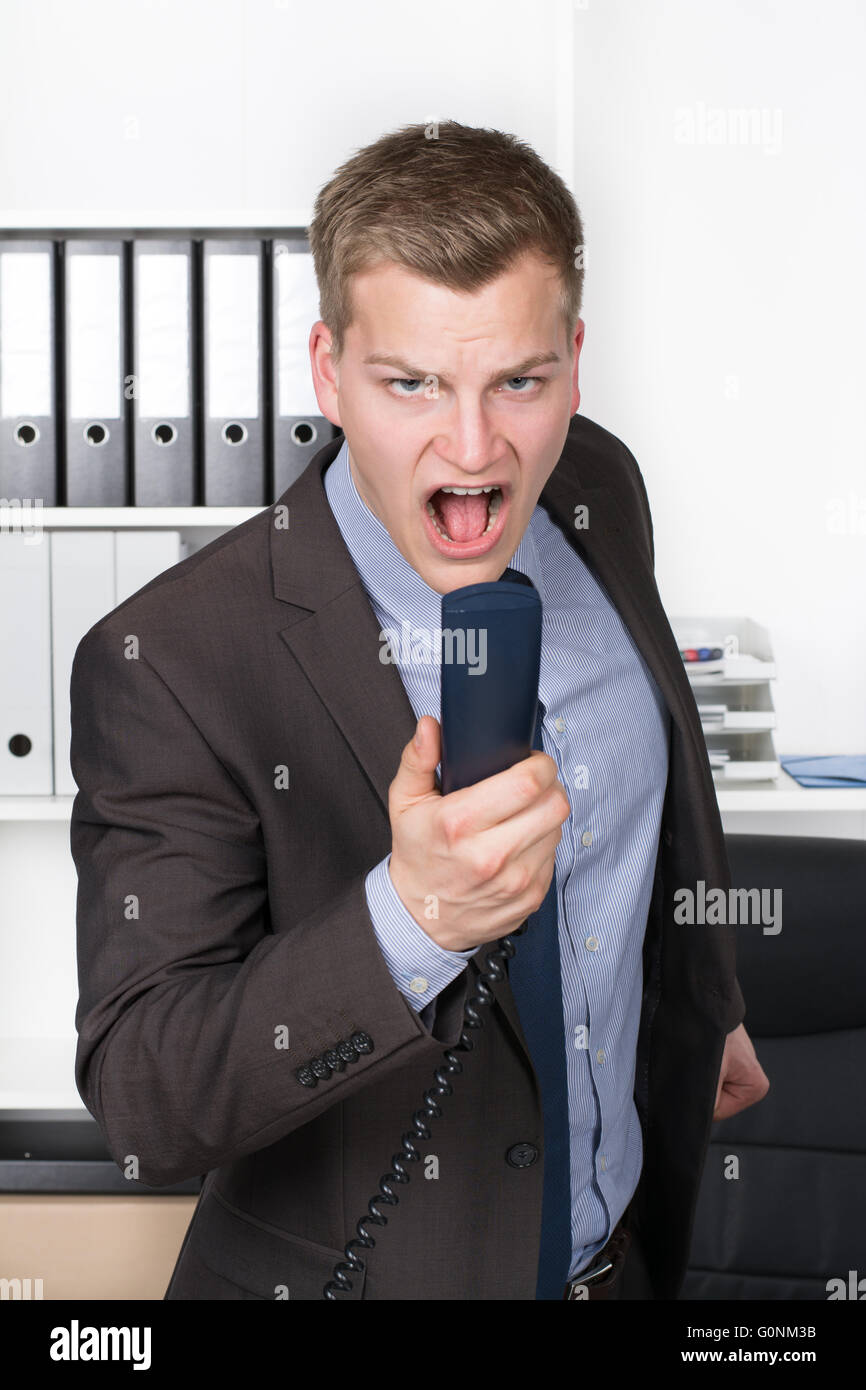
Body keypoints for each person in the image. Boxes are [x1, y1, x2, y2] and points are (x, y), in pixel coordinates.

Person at [70, 120, 769, 1301]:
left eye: (518, 382)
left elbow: (653, 762)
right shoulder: (176, 659)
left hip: (622, 1266)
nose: (472, 446)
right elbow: (147, 1093)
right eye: (409, 384)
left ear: (574, 362)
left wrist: (705, 998)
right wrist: (413, 921)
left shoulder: (595, 482)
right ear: (325, 369)